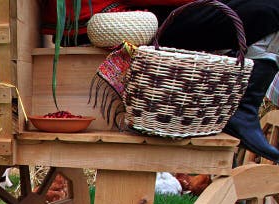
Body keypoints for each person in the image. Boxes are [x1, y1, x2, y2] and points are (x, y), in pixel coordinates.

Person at [40, 0, 279, 161]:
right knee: (269, 8)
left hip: (100, 15)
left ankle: (236, 102)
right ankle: (241, 106)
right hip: (107, 20)